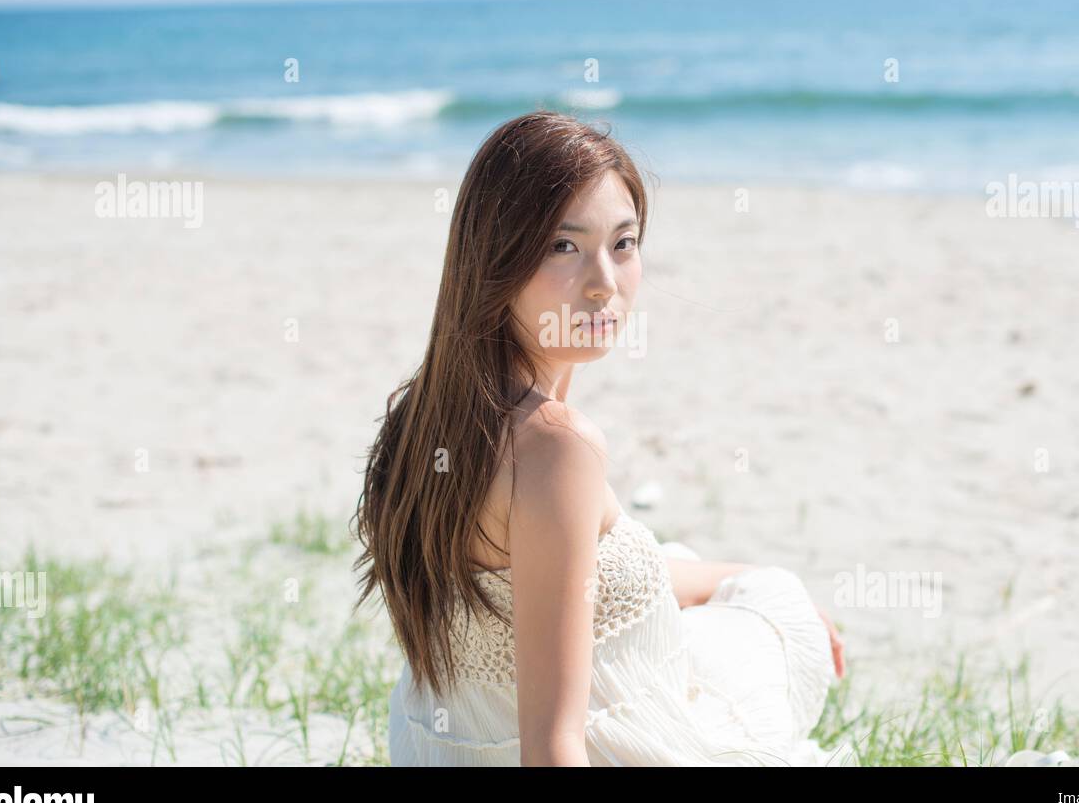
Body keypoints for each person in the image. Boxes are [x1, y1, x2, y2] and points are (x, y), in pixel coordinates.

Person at [351, 110, 848, 766]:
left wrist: (740, 574)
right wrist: (763, 585)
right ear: (497, 254)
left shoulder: (425, 413)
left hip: (445, 745)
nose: (604, 283)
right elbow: (552, 746)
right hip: (598, 745)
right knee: (778, 602)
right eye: (564, 245)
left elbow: (551, 572)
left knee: (680, 557)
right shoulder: (555, 446)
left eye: (624, 242)